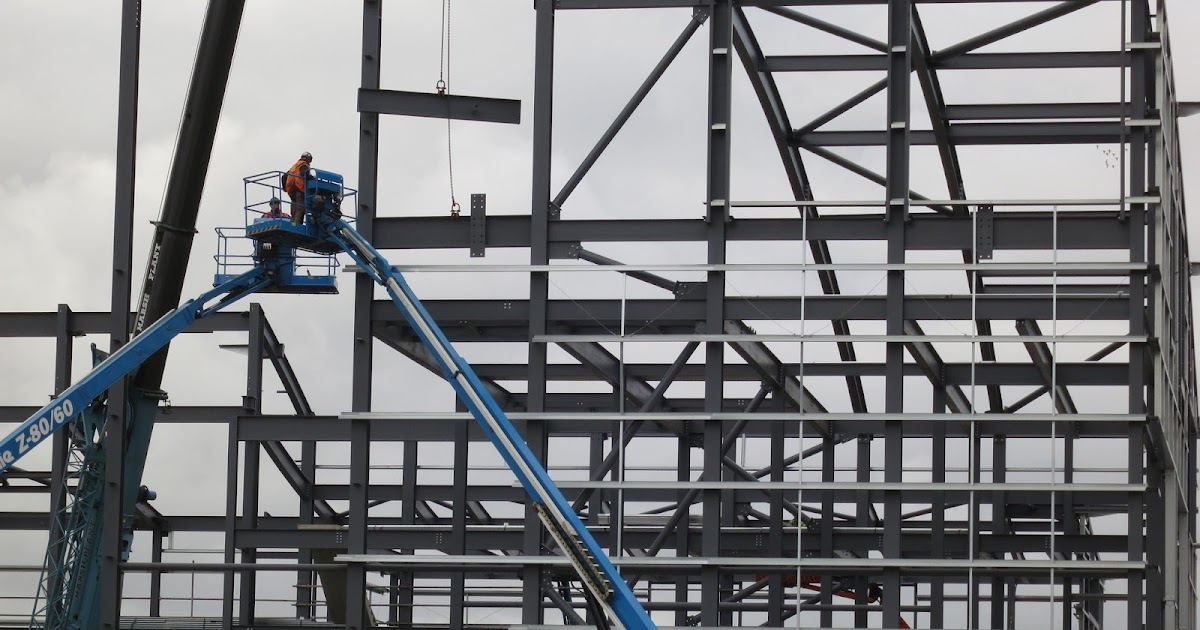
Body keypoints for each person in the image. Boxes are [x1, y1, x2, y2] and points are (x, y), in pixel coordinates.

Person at [283, 151, 312, 226]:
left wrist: (285, 188)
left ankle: (292, 225)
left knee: (294, 210)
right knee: (300, 209)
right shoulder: (304, 165)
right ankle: (297, 226)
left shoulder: (294, 166)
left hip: (291, 191)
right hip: (298, 189)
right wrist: (312, 178)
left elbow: (284, 176)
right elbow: (304, 173)